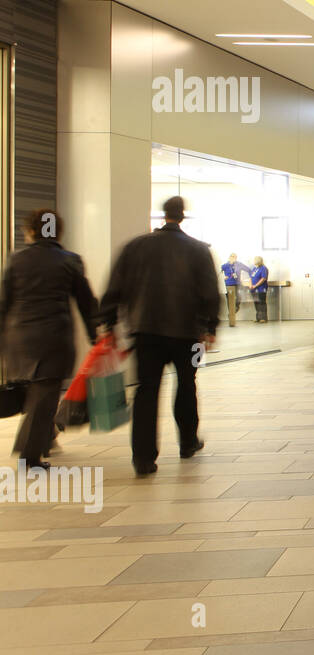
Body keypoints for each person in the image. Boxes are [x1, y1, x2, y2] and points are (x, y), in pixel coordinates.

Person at [100, 196, 222, 476]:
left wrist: (108, 323)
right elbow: (209, 292)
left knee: (146, 390)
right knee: (187, 383)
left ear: (163, 215)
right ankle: (188, 442)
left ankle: (143, 458)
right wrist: (211, 327)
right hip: (187, 333)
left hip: (145, 331)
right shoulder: (198, 250)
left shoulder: (135, 247)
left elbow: (115, 286)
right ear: (182, 217)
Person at [0, 209, 98, 470]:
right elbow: (86, 302)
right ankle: (29, 457)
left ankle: (46, 439)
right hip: (54, 338)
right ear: (57, 232)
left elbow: (4, 301)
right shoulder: (70, 261)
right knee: (44, 396)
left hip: (18, 339)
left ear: (31, 231)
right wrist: (94, 334)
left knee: (38, 395)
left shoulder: (16, 260)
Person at [220, 253, 248, 327]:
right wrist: (223, 277)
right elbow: (218, 272)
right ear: (229, 257)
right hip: (228, 285)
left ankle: (233, 311)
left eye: (234, 257)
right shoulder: (225, 265)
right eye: (231, 256)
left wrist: (247, 279)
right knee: (230, 301)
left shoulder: (239, 264)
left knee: (239, 298)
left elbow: (248, 269)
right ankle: (231, 318)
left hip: (237, 284)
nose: (233, 258)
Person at [250, 256, 269, 323]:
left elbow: (263, 278)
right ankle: (258, 318)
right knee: (256, 303)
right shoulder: (254, 268)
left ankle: (263, 318)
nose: (254, 261)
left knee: (262, 303)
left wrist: (255, 285)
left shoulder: (263, 268)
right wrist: (251, 285)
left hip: (261, 289)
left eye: (255, 259)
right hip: (254, 289)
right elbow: (251, 277)